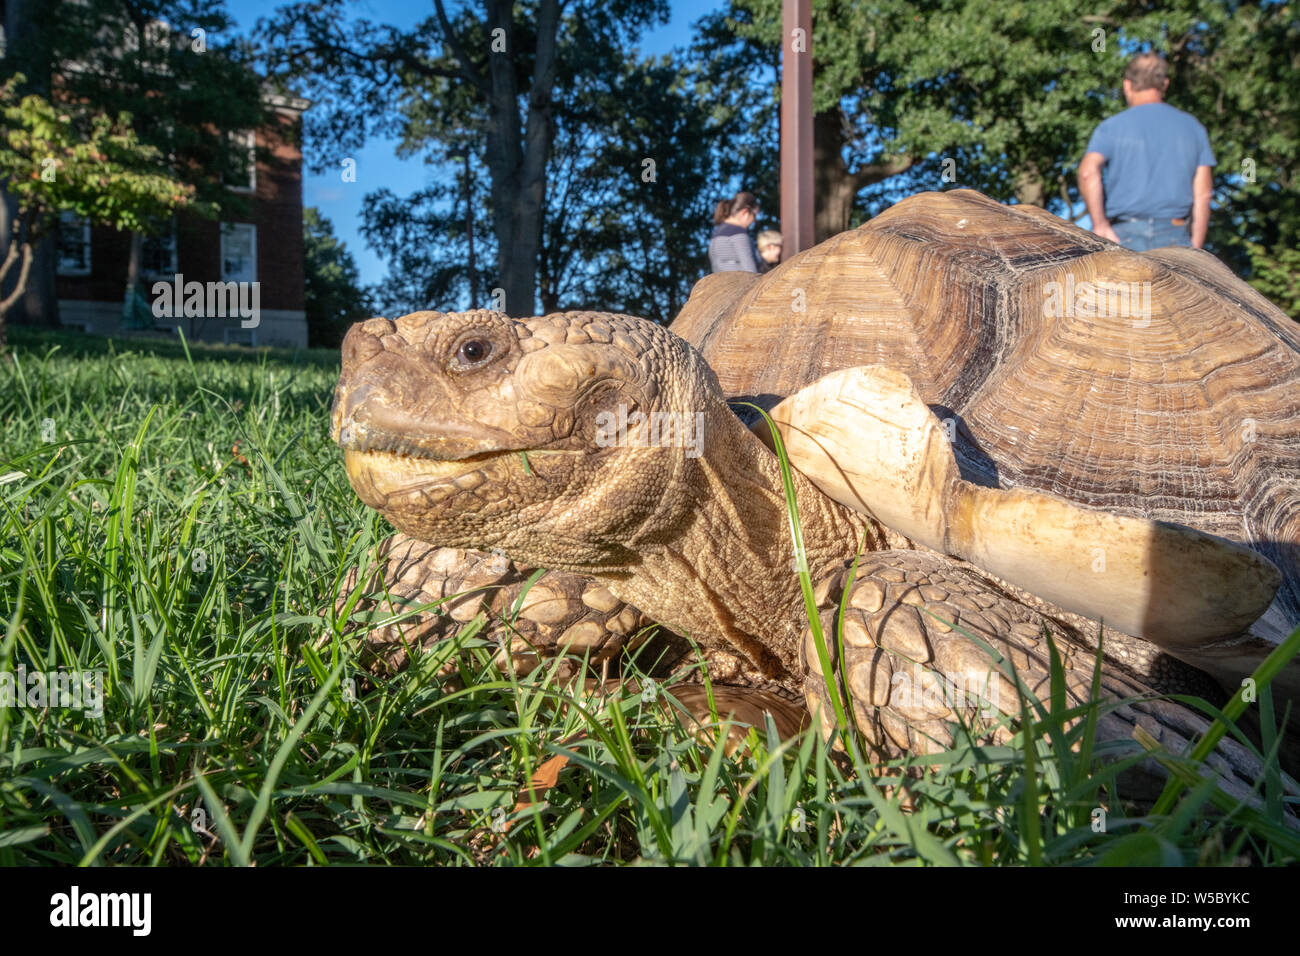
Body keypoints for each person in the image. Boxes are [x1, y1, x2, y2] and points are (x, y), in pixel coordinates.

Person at [1079, 52, 1214, 252]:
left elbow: (1087, 172)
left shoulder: (1111, 127)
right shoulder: (1193, 128)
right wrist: (1196, 247)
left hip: (1123, 237)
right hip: (1175, 236)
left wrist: (1100, 225)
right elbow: (1203, 194)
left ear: (1127, 85)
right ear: (1165, 84)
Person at [709, 192, 760, 273]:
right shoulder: (739, 233)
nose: (754, 221)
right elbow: (750, 270)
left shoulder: (716, 233)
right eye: (754, 215)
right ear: (745, 212)